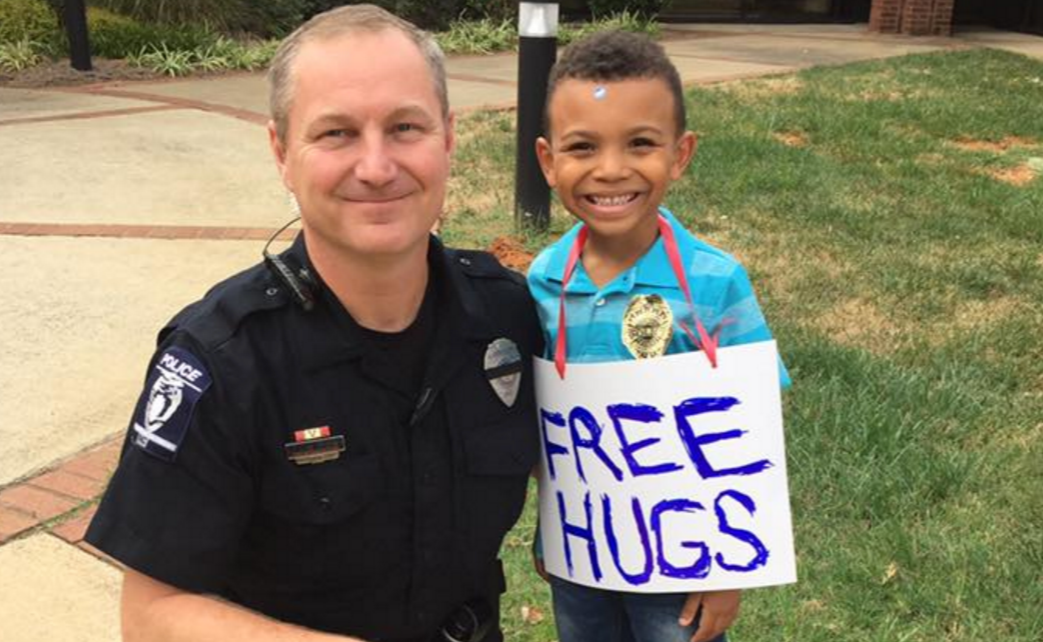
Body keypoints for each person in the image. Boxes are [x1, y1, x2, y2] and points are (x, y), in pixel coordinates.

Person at [85, 6, 541, 642]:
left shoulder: (511, 316)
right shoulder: (221, 362)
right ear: (281, 151)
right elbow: (152, 614)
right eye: (337, 134)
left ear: (448, 138)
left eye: (406, 127)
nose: (377, 167)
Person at [526, 31, 792, 642]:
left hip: (685, 558)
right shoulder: (543, 281)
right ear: (548, 161)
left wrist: (728, 567)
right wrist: (552, 527)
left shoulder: (714, 281)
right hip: (583, 552)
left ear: (680, 153)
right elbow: (549, 423)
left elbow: (752, 424)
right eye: (582, 147)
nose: (612, 168)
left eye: (641, 144)